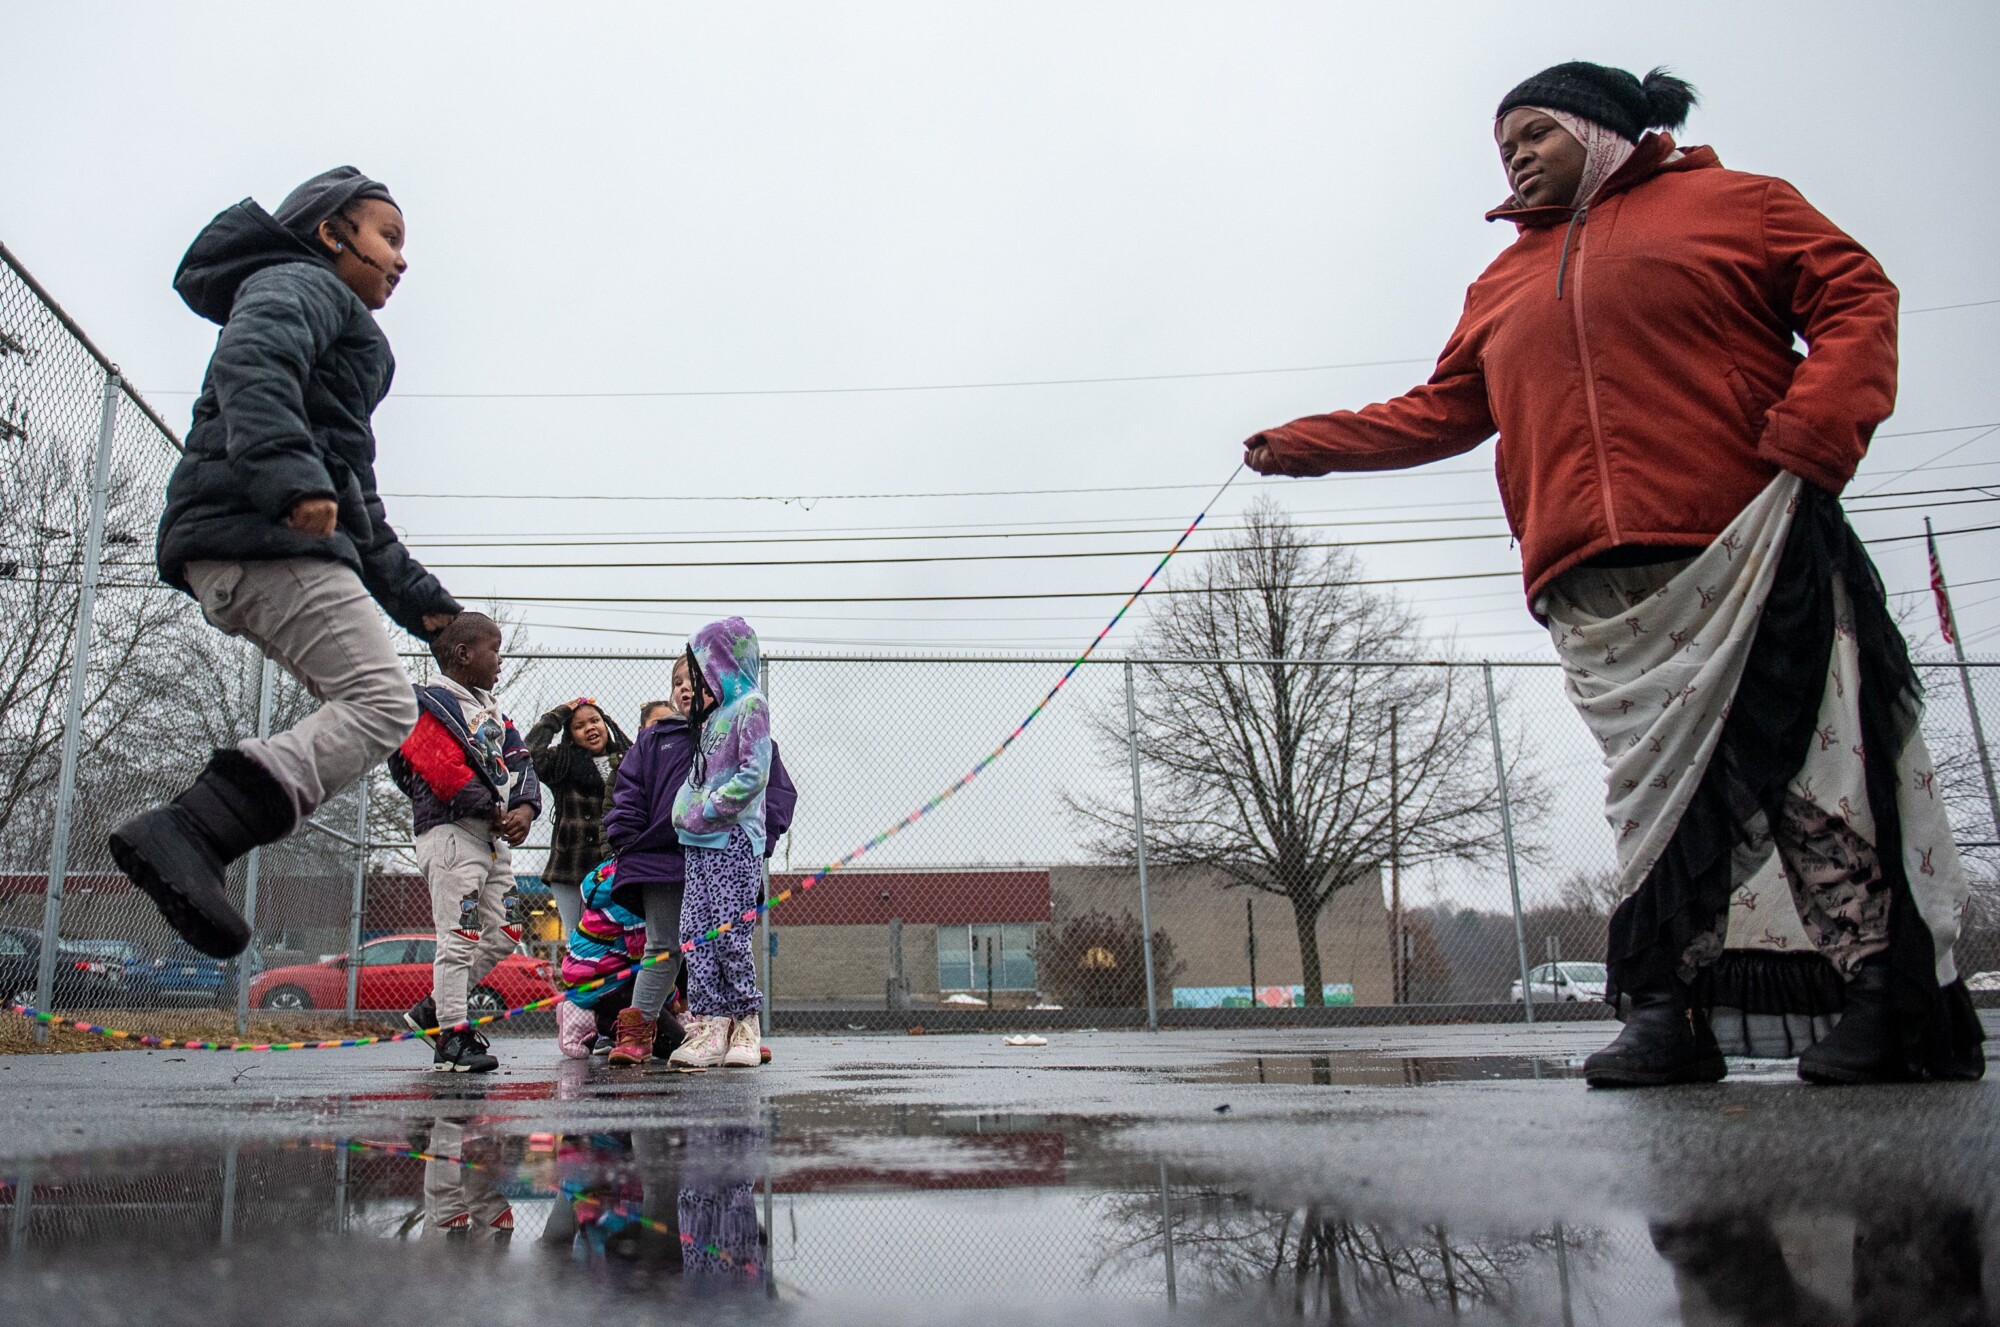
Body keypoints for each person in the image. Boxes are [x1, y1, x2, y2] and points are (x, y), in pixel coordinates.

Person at [1241, 62, 1983, 1087]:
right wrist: (1304, 444)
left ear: (1598, 129)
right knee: (1657, 805)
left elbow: (1857, 297)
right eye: (1502, 143)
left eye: (1532, 132)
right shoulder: (1498, 283)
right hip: (1592, 586)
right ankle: (1663, 1015)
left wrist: (1818, 425)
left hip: (1747, 546)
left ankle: (1882, 1002)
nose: (1511, 155)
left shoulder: (1739, 205)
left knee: (1809, 778)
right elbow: (1440, 409)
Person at [110, 166, 459, 959]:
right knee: (381, 701)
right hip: (257, 533)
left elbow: (358, 504)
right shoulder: (298, 283)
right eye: (388, 238)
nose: (401, 262)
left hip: (260, 541)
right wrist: (292, 480)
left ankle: (199, 833)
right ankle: (192, 829)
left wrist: (431, 611)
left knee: (371, 701)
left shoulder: (338, 323)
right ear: (334, 232)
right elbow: (251, 365)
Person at [601, 651, 796, 1066]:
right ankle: (639, 1030)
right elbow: (628, 790)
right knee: (663, 946)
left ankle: (737, 1025)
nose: (686, 687)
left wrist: (760, 840)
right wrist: (628, 838)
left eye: (697, 680)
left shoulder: (744, 730)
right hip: (662, 858)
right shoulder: (656, 739)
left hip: (724, 856)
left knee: (727, 943)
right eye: (678, 682)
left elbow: (774, 792)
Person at [387, 613, 541, 1072]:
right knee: (459, 935)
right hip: (453, 837)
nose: (500, 661)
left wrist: (526, 809)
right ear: (462, 654)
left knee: (507, 930)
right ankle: (451, 1034)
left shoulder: (493, 712)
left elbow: (521, 763)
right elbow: (440, 767)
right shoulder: (424, 705)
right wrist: (494, 807)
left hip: (493, 842)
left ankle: (433, 1009)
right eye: (494, 650)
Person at [526, 698, 634, 940]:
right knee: (579, 940)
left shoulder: (628, 758)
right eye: (579, 726)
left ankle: (617, 979)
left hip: (617, 866)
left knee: (619, 939)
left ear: (606, 724)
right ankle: (581, 979)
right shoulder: (561, 763)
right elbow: (529, 754)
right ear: (571, 735)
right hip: (571, 867)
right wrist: (557, 716)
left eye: (595, 721)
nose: (590, 728)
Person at [556, 858, 647, 1057]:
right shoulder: (630, 899)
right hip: (599, 982)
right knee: (667, 1040)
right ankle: (589, 1019)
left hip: (588, 975)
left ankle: (590, 1015)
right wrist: (671, 998)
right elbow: (643, 962)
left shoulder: (608, 870)